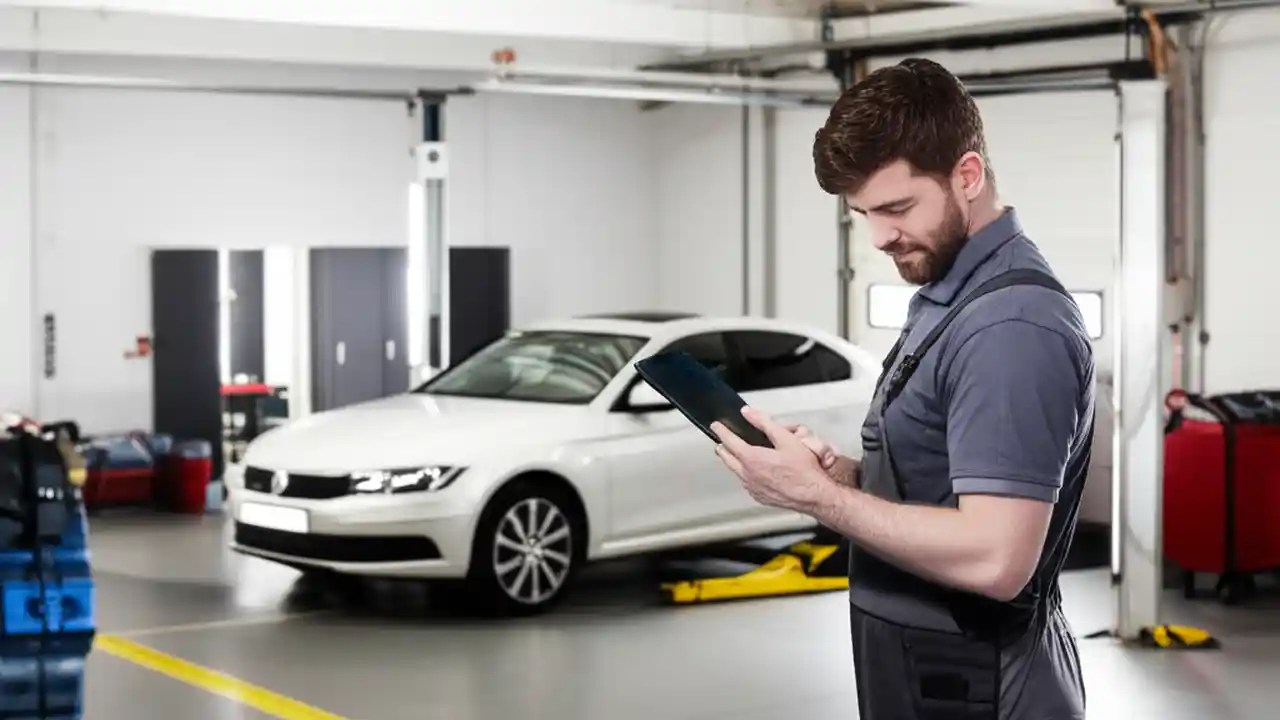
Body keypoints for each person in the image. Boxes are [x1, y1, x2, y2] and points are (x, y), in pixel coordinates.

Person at [710, 57, 1095, 720]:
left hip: (977, 677)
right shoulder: (950, 292)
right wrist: (841, 473)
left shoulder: (1011, 324)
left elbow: (997, 558)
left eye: (896, 207)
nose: (880, 236)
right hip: (930, 666)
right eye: (863, 213)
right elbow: (938, 480)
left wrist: (820, 500)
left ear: (966, 176)